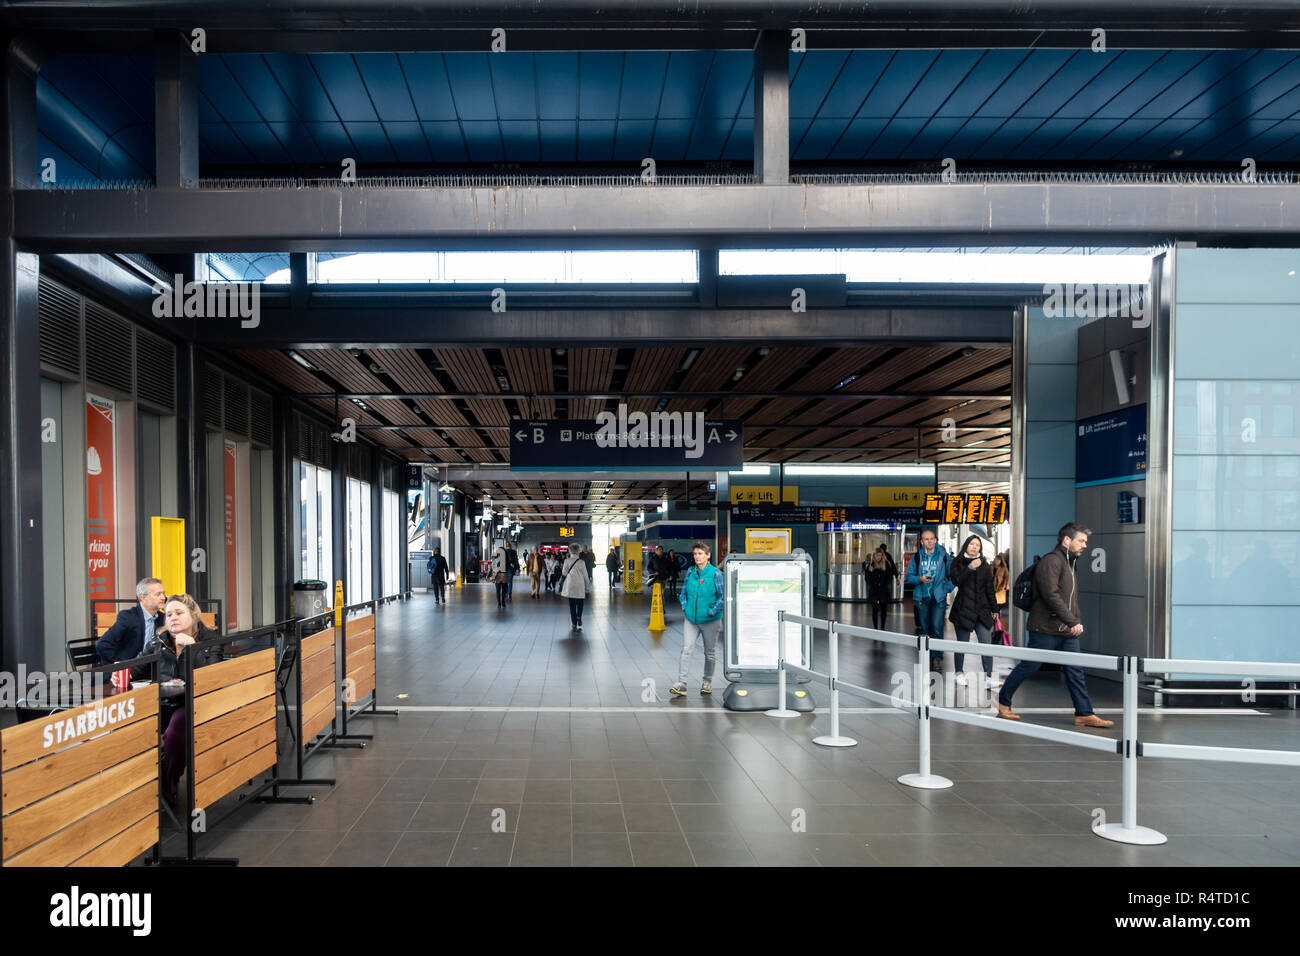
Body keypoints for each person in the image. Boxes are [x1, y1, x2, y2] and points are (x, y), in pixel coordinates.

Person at [997, 523, 1114, 728]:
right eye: (1081, 541)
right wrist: (1072, 621)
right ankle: (1003, 702)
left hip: (1065, 631)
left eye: (1085, 542)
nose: (1085, 545)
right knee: (1029, 666)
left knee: (1074, 671)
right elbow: (1050, 595)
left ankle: (1084, 713)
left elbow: (1068, 598)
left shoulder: (1070, 562)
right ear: (1066, 540)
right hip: (1046, 628)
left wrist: (1072, 621)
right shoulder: (1052, 561)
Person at [131, 594, 221, 804]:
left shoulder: (210, 640)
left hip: (196, 704)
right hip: (163, 703)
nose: (172, 618)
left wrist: (192, 648)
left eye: (179, 613)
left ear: (193, 615)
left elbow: (211, 677)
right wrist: (121, 673)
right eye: (169, 614)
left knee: (175, 730)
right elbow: (136, 668)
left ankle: (167, 788)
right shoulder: (158, 641)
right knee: (133, 729)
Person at [670, 541, 725, 697]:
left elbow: (723, 596)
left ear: (708, 555)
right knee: (686, 649)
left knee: (710, 653)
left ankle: (707, 682)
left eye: (700, 553)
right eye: (695, 554)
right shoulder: (690, 571)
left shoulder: (715, 574)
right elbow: (684, 592)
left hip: (710, 621)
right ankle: (682, 684)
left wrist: (712, 611)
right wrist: (685, 606)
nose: (697, 556)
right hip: (691, 619)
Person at [948, 534, 1000, 689]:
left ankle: (989, 677)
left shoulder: (985, 564)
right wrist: (970, 568)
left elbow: (990, 589)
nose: (974, 547)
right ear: (966, 545)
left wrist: (994, 608)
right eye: (972, 544)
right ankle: (959, 673)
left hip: (982, 610)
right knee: (962, 644)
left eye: (977, 545)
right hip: (963, 609)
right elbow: (956, 581)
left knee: (986, 643)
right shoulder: (957, 562)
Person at [905, 527, 954, 671]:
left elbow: (953, 577)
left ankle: (937, 658)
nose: (929, 541)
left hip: (938, 598)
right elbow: (909, 577)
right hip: (922, 597)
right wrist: (919, 579)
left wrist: (946, 589)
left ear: (936, 540)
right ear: (921, 542)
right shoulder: (917, 557)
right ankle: (927, 657)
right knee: (925, 629)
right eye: (926, 539)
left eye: (932, 539)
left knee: (937, 628)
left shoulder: (944, 556)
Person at [96, 577, 167, 665]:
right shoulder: (128, 617)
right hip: (128, 671)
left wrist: (169, 610)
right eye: (158, 594)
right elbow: (102, 645)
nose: (163, 597)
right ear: (143, 598)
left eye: (163, 593)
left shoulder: (163, 618)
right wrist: (121, 664)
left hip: (149, 670)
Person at [559, 543, 590, 629]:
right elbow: (586, 576)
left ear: (570, 551)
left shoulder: (566, 561)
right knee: (580, 602)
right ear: (578, 551)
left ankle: (573, 623)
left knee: (572, 604)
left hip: (570, 585)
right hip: (579, 585)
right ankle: (579, 616)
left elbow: (564, 574)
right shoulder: (581, 562)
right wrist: (587, 587)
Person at [865, 547, 894, 632]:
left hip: (883, 590)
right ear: (874, 556)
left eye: (880, 556)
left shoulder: (886, 564)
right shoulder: (871, 565)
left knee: (884, 609)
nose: (878, 557)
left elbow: (889, 577)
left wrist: (884, 585)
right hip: (874, 591)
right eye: (877, 556)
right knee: (874, 609)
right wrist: (873, 585)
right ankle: (875, 627)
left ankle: (882, 626)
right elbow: (867, 578)